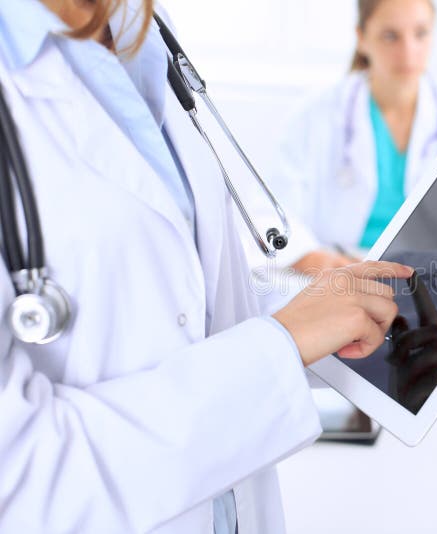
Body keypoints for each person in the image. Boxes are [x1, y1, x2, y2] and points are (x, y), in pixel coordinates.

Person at [0, 0, 413, 532]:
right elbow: (21, 480)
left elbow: (190, 294)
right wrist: (283, 343)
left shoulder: (143, 30)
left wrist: (331, 307)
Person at [269, 0, 437, 274]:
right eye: (390, 36)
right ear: (362, 38)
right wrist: (310, 258)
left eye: (421, 33)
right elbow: (272, 209)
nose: (408, 52)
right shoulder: (316, 114)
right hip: (346, 270)